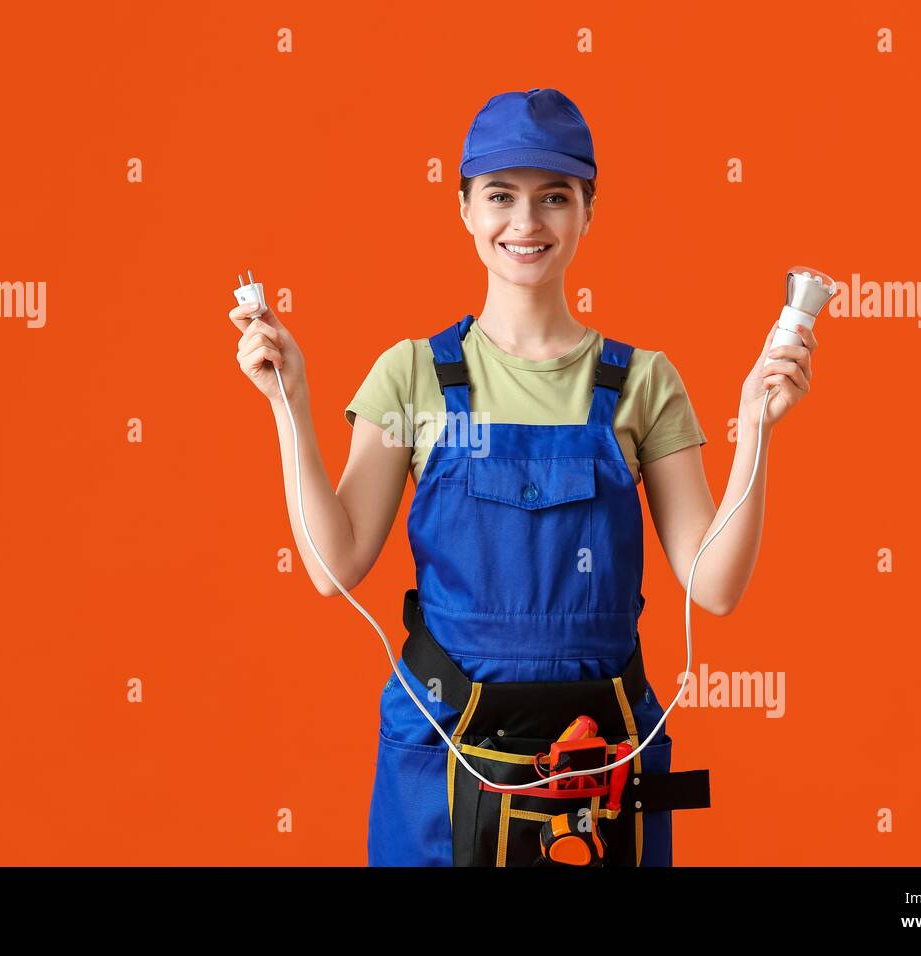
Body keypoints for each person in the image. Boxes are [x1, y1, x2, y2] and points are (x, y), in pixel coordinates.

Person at [229, 88, 816, 866]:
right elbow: (334, 568)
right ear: (465, 207)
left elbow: (714, 587)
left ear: (587, 213)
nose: (526, 223)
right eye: (501, 196)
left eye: (554, 198)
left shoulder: (643, 381)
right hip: (441, 753)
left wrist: (758, 431)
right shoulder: (412, 375)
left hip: (596, 760)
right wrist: (289, 404)